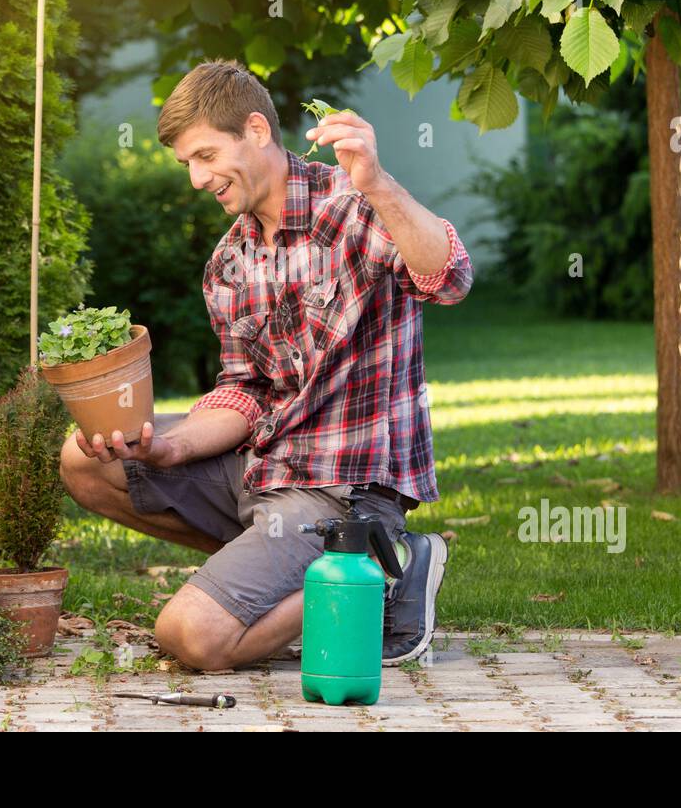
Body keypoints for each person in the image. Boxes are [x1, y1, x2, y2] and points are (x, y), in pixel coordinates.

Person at [61, 59, 473, 671]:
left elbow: (450, 279)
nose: (197, 180)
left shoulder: (352, 207)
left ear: (255, 130)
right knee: (83, 458)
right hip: (266, 467)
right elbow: (244, 390)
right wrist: (169, 450)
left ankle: (381, 572)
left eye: (205, 156)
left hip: (340, 487)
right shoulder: (229, 261)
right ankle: (292, 574)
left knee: (192, 637)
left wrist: (380, 184)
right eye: (187, 166)